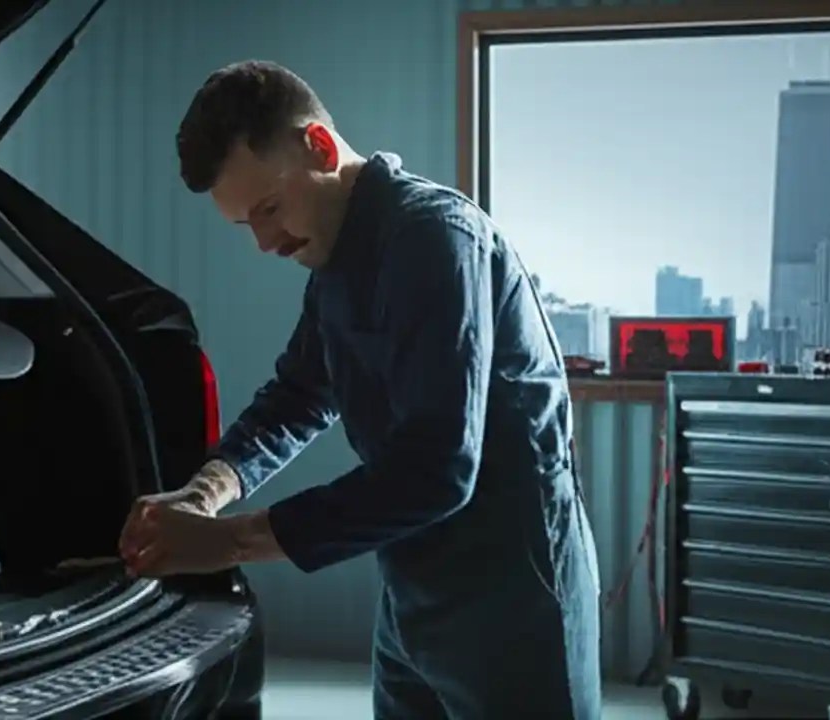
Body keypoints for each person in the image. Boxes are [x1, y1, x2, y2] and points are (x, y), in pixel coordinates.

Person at [118, 60, 602, 720]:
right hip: (410, 587)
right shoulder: (334, 263)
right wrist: (204, 493)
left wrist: (230, 542)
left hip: (512, 590)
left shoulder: (434, 239)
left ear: (317, 145)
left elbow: (437, 468)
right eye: (245, 226)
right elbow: (298, 398)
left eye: (268, 209)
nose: (264, 243)